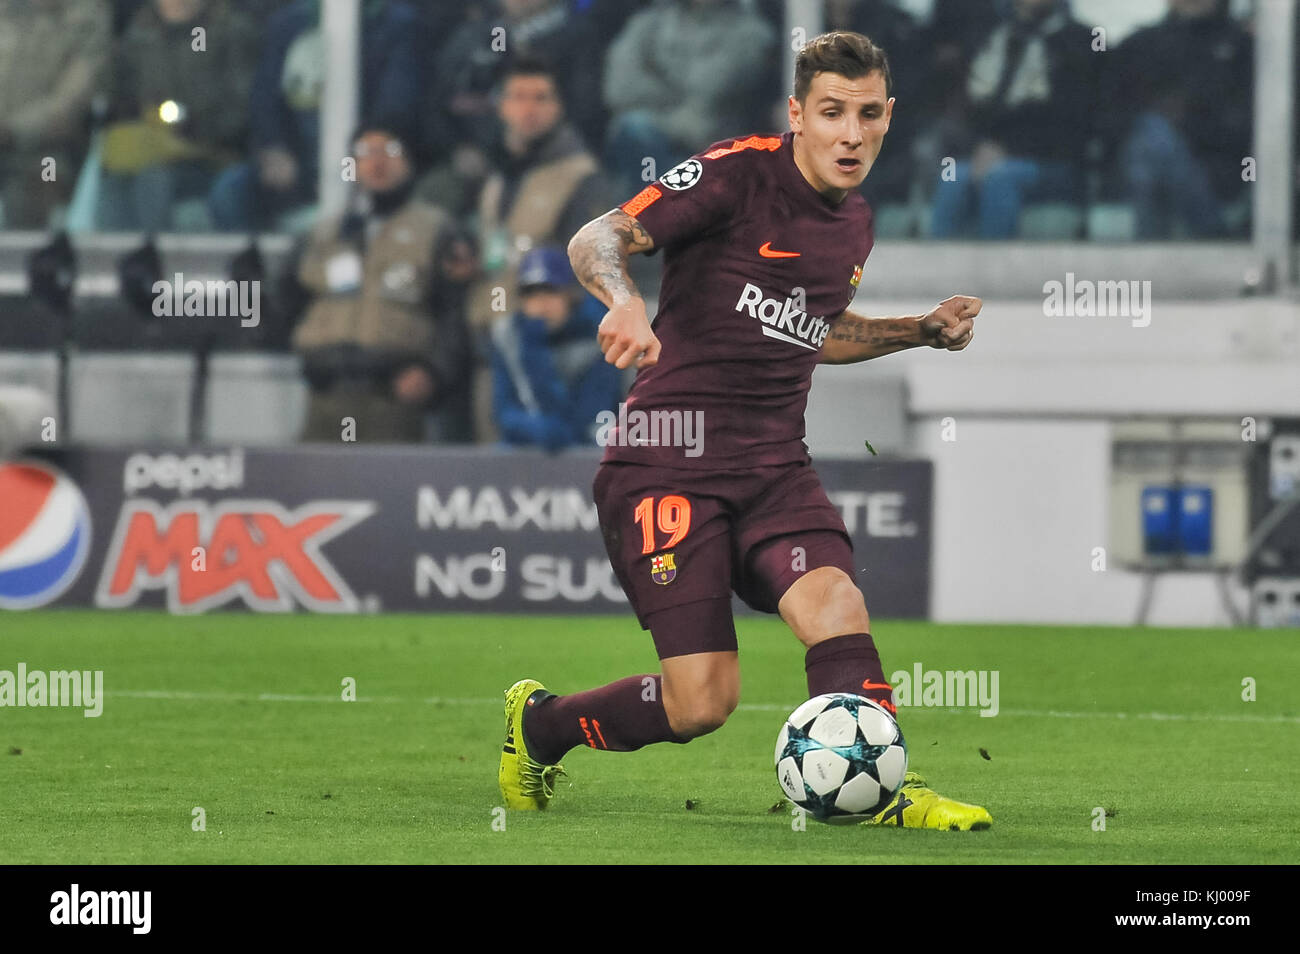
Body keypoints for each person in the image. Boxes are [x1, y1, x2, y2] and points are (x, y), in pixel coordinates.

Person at [499, 31, 992, 830]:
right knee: (701, 701)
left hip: (772, 466)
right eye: (832, 112)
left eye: (868, 114)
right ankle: (540, 725)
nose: (851, 132)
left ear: (889, 117)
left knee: (835, 602)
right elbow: (597, 237)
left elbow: (816, 331)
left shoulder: (855, 222)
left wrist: (919, 330)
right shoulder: (736, 172)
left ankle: (878, 791)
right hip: (667, 461)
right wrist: (622, 300)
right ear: (797, 114)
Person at [287, 120, 472, 443]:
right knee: (315, 487)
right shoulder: (322, 233)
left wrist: (435, 371)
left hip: (394, 396)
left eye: (390, 150)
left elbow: (456, 311)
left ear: (409, 161)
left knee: (386, 486)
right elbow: (289, 299)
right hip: (325, 394)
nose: (377, 161)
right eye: (366, 152)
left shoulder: (436, 230)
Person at [927, 0, 1096, 239]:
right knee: (953, 179)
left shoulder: (1080, 41)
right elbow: (971, 110)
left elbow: (1076, 120)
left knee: (999, 178)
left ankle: (995, 271)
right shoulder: (993, 37)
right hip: (988, 153)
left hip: (1054, 161)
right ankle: (938, 270)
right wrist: (979, 147)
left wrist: (1008, 149)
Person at [490, 247, 622, 452]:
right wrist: (535, 428)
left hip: (584, 445)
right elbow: (504, 412)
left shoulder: (599, 338)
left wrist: (536, 354)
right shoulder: (509, 336)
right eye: (532, 294)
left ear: (570, 295)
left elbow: (590, 417)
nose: (542, 304)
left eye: (551, 292)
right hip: (527, 443)